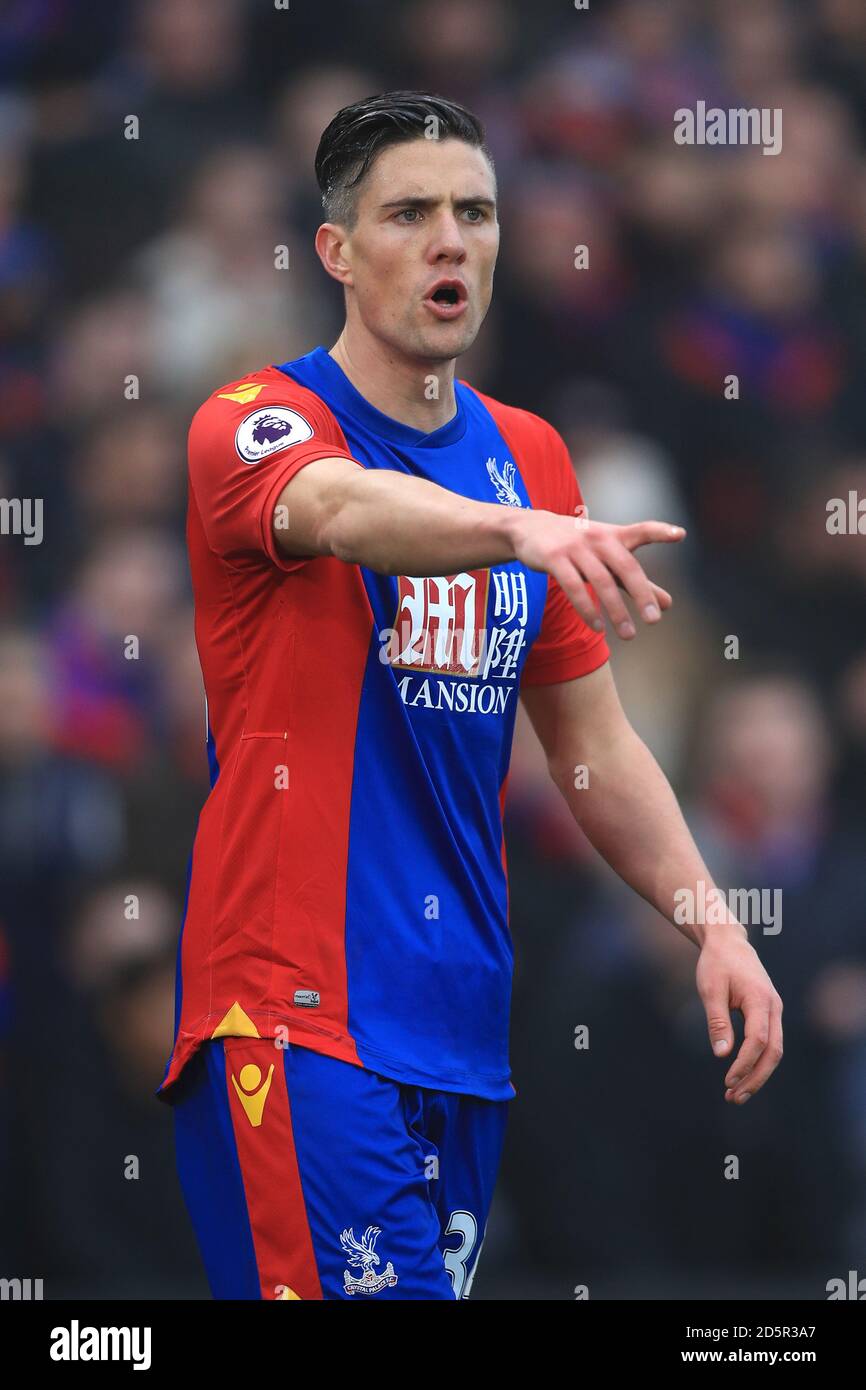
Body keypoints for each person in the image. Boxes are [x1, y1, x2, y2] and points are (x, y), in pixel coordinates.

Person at [158, 91, 783, 1301]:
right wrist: (516, 531)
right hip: (294, 1019)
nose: (452, 240)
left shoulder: (529, 458)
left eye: (475, 212)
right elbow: (341, 510)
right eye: (409, 213)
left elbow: (591, 746)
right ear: (336, 251)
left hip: (457, 1037)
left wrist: (710, 918)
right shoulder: (254, 424)